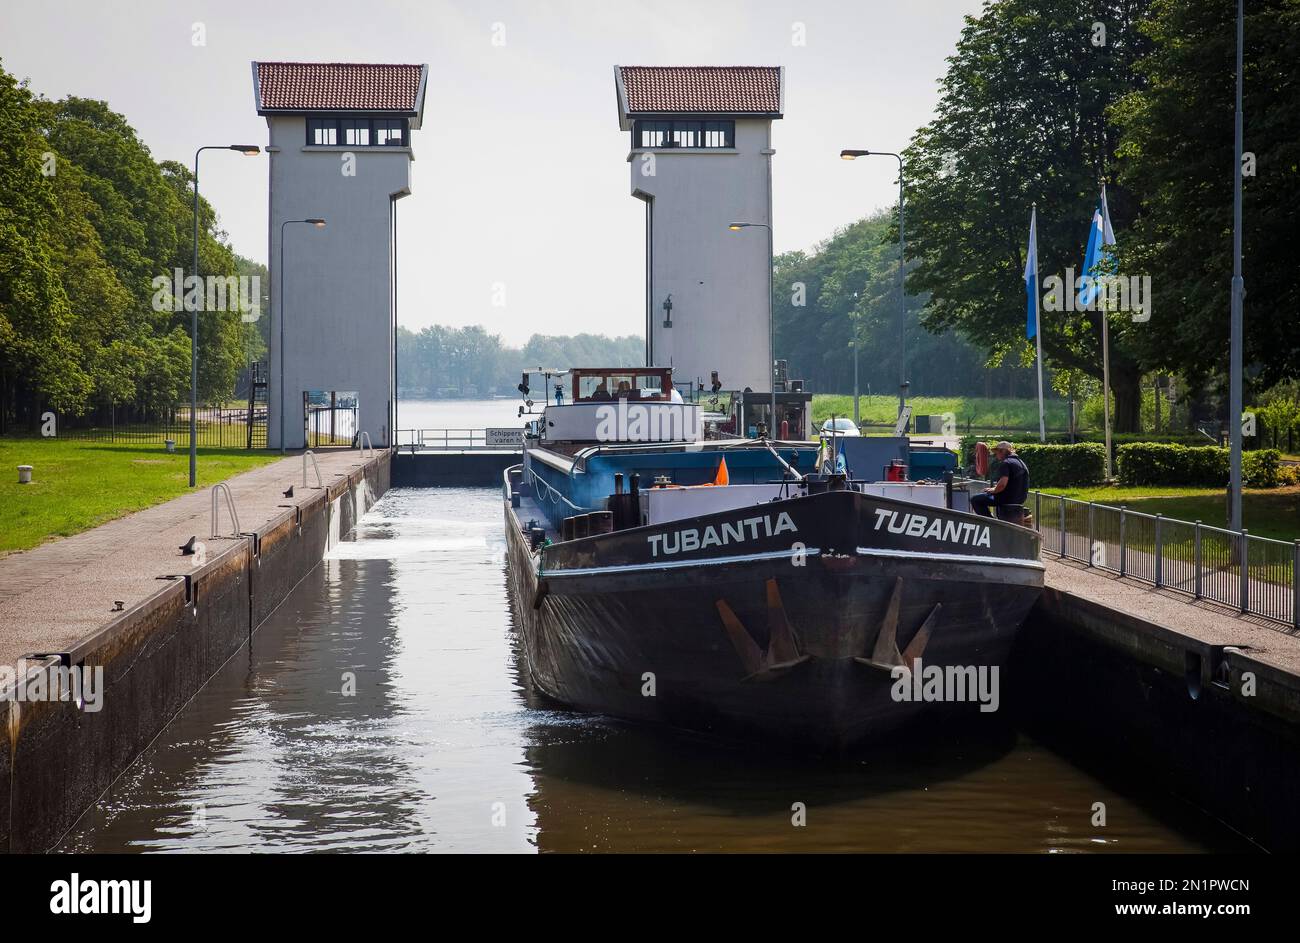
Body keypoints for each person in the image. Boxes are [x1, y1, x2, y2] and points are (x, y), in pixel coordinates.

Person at [972, 441, 1029, 522]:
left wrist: (994, 490)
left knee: (975, 500)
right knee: (987, 495)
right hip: (1020, 499)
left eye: (997, 452)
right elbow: (1012, 483)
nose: (996, 455)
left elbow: (1002, 484)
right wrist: (995, 488)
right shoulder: (1020, 462)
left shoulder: (1006, 463)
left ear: (1003, 451)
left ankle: (991, 522)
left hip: (1008, 498)